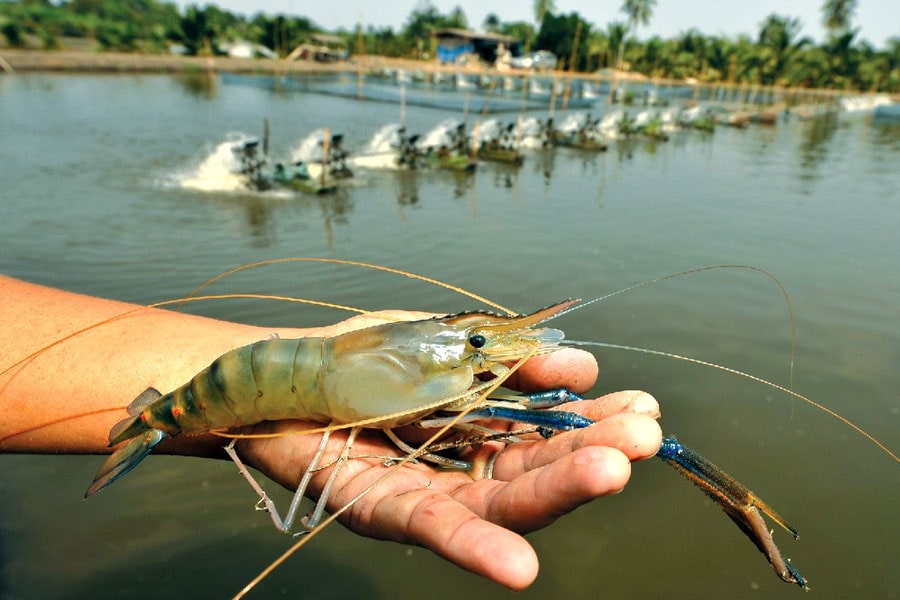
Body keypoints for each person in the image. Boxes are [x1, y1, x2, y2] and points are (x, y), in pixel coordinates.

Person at [0, 275, 662, 590]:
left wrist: (474, 346)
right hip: (226, 393)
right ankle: (152, 423)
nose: (485, 351)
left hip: (264, 381)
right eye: (477, 342)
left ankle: (153, 420)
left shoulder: (439, 356)